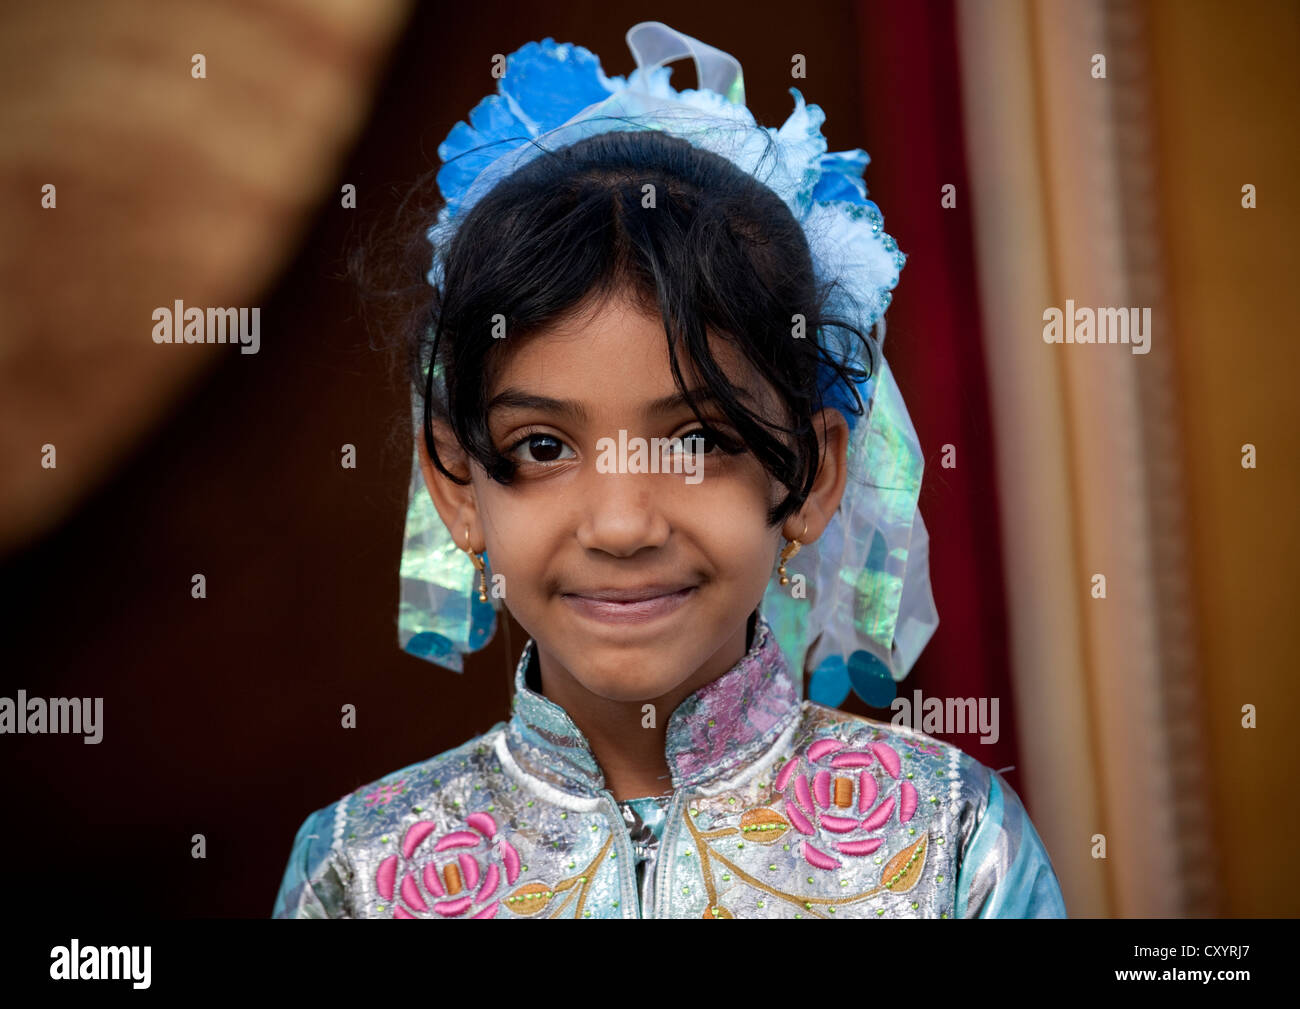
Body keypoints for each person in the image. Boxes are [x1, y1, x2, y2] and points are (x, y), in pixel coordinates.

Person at [272, 22, 1067, 919]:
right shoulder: (358, 873)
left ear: (807, 475)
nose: (621, 523)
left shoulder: (951, 843)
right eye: (542, 447)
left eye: (696, 441)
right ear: (459, 486)